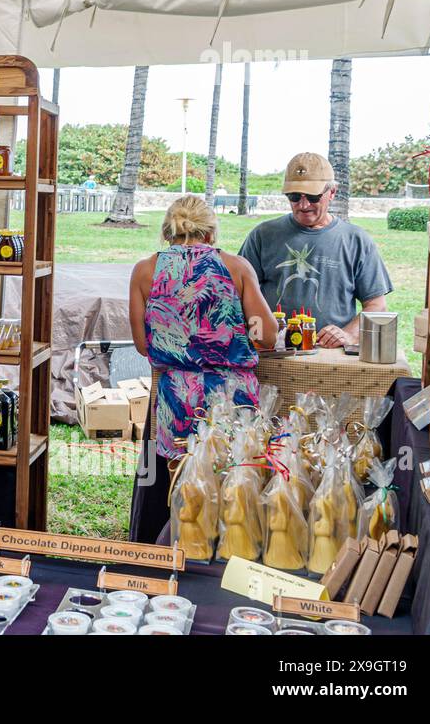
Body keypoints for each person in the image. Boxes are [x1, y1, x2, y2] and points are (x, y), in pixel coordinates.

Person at [126, 195, 277, 544]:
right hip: (232, 397)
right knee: (235, 487)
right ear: (210, 234)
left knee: (183, 491)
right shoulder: (235, 268)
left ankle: (182, 554)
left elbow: (142, 343)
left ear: (168, 234)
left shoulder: (146, 271)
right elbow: (266, 336)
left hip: (178, 398)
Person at [238, 152, 392, 347]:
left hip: (330, 353)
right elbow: (238, 294)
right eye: (294, 197)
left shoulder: (356, 240)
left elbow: (376, 305)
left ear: (332, 192)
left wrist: (348, 334)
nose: (303, 205)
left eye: (313, 196)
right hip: (272, 350)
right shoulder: (263, 235)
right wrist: (258, 335)